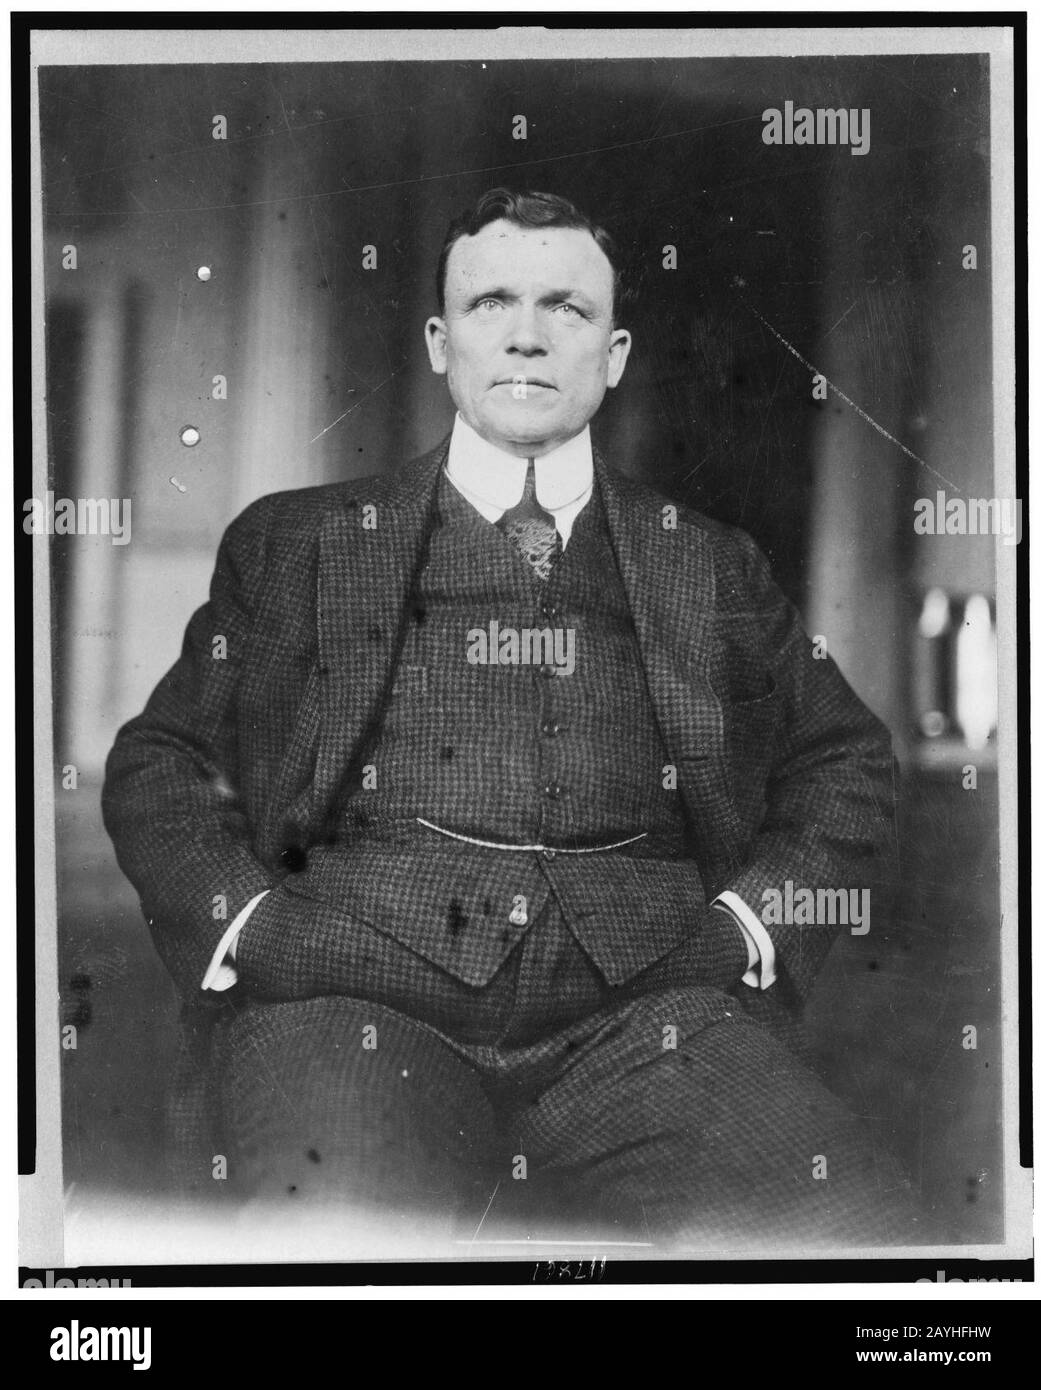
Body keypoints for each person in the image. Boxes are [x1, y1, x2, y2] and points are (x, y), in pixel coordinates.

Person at [103, 187, 916, 1248]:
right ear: (441, 344)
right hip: (351, 1005)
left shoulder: (709, 563)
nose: (527, 336)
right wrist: (254, 929)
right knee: (343, 1236)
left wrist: (748, 927)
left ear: (614, 356)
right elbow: (160, 757)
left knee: (855, 1232)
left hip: (646, 1016)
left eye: (565, 308)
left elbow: (846, 757)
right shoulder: (301, 543)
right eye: (491, 303)